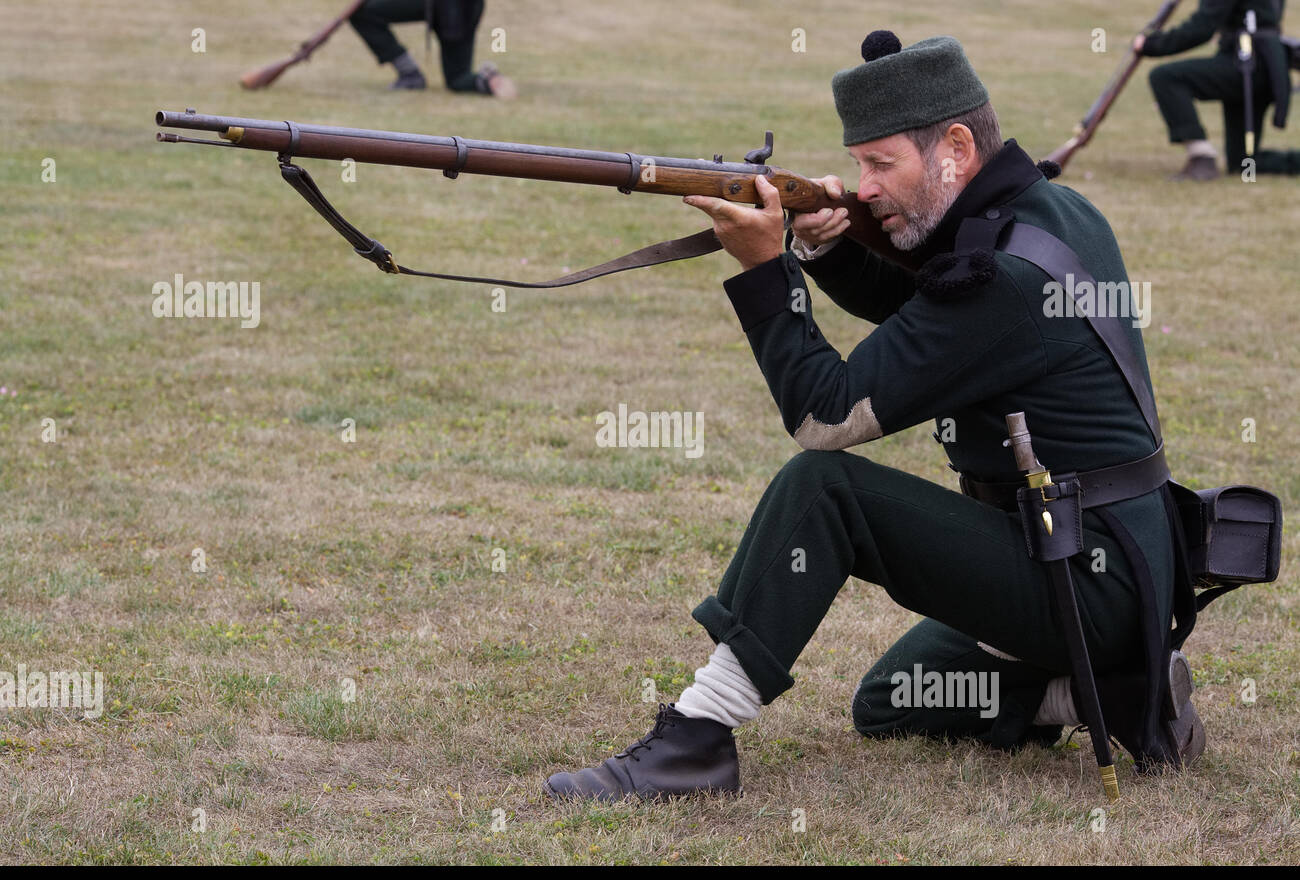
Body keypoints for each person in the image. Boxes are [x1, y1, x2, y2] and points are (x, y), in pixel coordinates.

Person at [544, 31, 1204, 802]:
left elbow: (827, 416)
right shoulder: (1050, 212)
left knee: (826, 486)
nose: (863, 188)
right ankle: (1115, 694)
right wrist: (826, 251)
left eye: (881, 164)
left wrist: (768, 271)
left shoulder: (1008, 281)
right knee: (893, 699)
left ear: (956, 146)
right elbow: (931, 316)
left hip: (1086, 579)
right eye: (857, 164)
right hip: (1112, 561)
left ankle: (696, 737)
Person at [1137, 0, 1297, 179]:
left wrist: (1151, 44)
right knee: (1243, 163)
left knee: (1165, 77)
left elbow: (1202, 28)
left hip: (1246, 65)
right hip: (1265, 64)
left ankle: (1201, 156)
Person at [349, 0, 515, 97]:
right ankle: (488, 81)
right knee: (458, 78)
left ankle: (409, 74)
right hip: (463, 7)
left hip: (454, 7)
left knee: (364, 14)